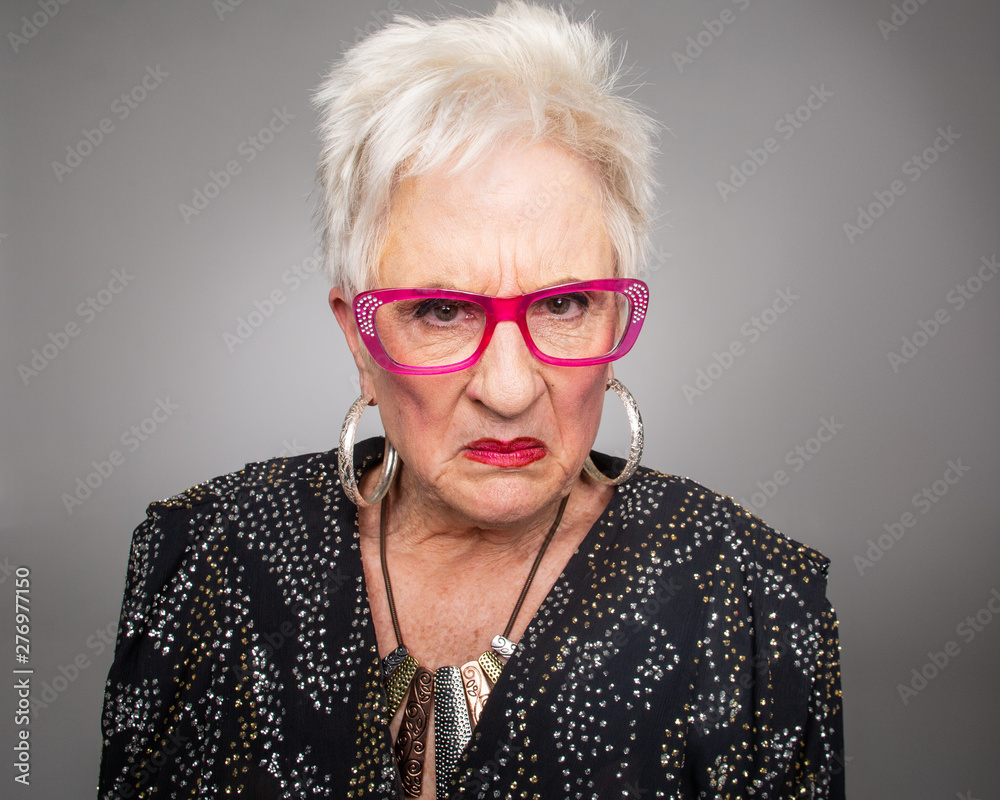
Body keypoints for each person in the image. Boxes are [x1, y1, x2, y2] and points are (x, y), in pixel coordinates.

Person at [97, 3, 844, 798]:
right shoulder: (201, 561)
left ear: (618, 312)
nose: (511, 389)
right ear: (360, 341)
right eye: (441, 311)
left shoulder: (756, 605)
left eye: (563, 305)